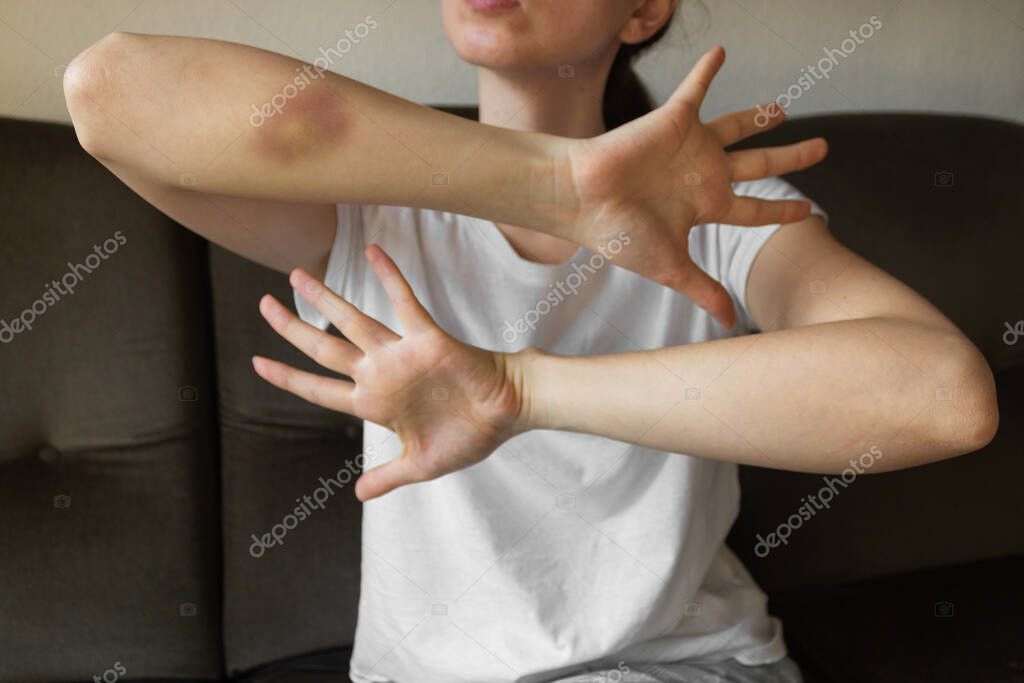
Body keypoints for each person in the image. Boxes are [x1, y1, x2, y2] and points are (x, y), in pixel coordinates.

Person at [63, 1, 998, 681]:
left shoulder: (723, 214)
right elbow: (107, 91)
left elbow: (943, 396)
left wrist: (519, 390)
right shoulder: (368, 206)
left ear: (643, 11)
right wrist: (557, 186)